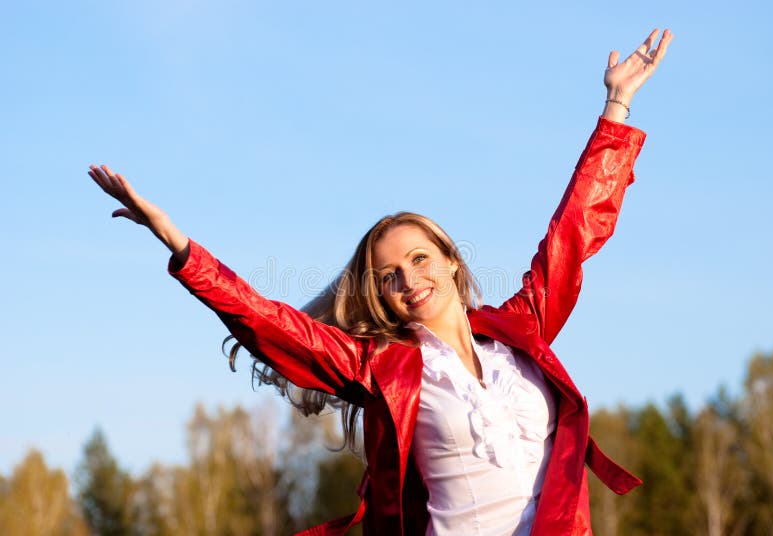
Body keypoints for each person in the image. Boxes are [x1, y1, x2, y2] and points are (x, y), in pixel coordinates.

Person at [89, 28, 672, 536]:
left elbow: (574, 233)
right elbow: (269, 322)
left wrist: (616, 106)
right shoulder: (381, 367)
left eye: (420, 259)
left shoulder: (522, 328)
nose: (410, 279)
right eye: (390, 274)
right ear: (379, 296)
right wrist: (181, 246)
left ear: (450, 261)